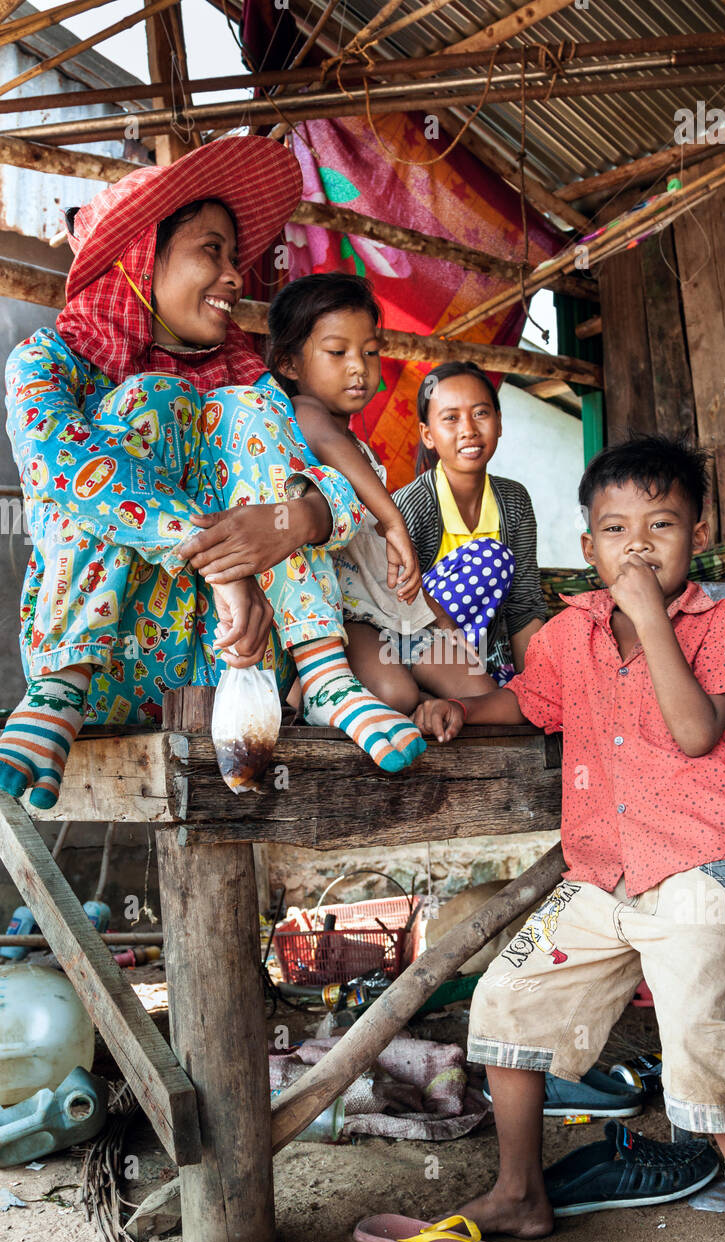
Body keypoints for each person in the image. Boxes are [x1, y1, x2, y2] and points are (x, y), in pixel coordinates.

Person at [415, 435, 725, 1242]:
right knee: (504, 999)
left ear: (695, 535)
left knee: (704, 1031)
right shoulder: (568, 634)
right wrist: (456, 709)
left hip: (701, 869)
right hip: (603, 877)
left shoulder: (722, 628)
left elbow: (695, 731)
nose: (637, 546)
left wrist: (652, 618)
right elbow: (523, 701)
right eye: (615, 529)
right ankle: (521, 1194)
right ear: (587, 546)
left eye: (660, 524)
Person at [2, 138, 405, 808]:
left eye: (234, 257)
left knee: (252, 412)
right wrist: (231, 568)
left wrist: (297, 518)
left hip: (236, 669)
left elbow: (353, 478)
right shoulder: (50, 360)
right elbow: (64, 467)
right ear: (141, 255)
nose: (234, 276)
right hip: (104, 662)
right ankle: (56, 688)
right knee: (149, 401)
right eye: (210, 251)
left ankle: (328, 676)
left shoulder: (248, 382)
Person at [265, 279, 501, 721]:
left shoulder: (361, 446)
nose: (359, 367)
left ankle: (434, 711)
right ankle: (304, 697)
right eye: (338, 353)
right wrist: (395, 522)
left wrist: (441, 620)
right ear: (288, 363)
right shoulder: (302, 412)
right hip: (350, 617)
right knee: (395, 695)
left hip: (401, 608)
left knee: (480, 686)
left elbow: (375, 553)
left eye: (370, 352)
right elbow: (333, 447)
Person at [375, 362, 549, 710]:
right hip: (411, 647)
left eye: (481, 413)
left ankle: (462, 694)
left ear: (499, 422)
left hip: (483, 653)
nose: (468, 429)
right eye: (451, 418)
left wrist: (536, 687)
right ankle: (430, 688)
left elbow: (523, 604)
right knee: (490, 560)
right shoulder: (412, 503)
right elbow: (392, 601)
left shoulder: (514, 502)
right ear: (427, 434)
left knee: (522, 696)